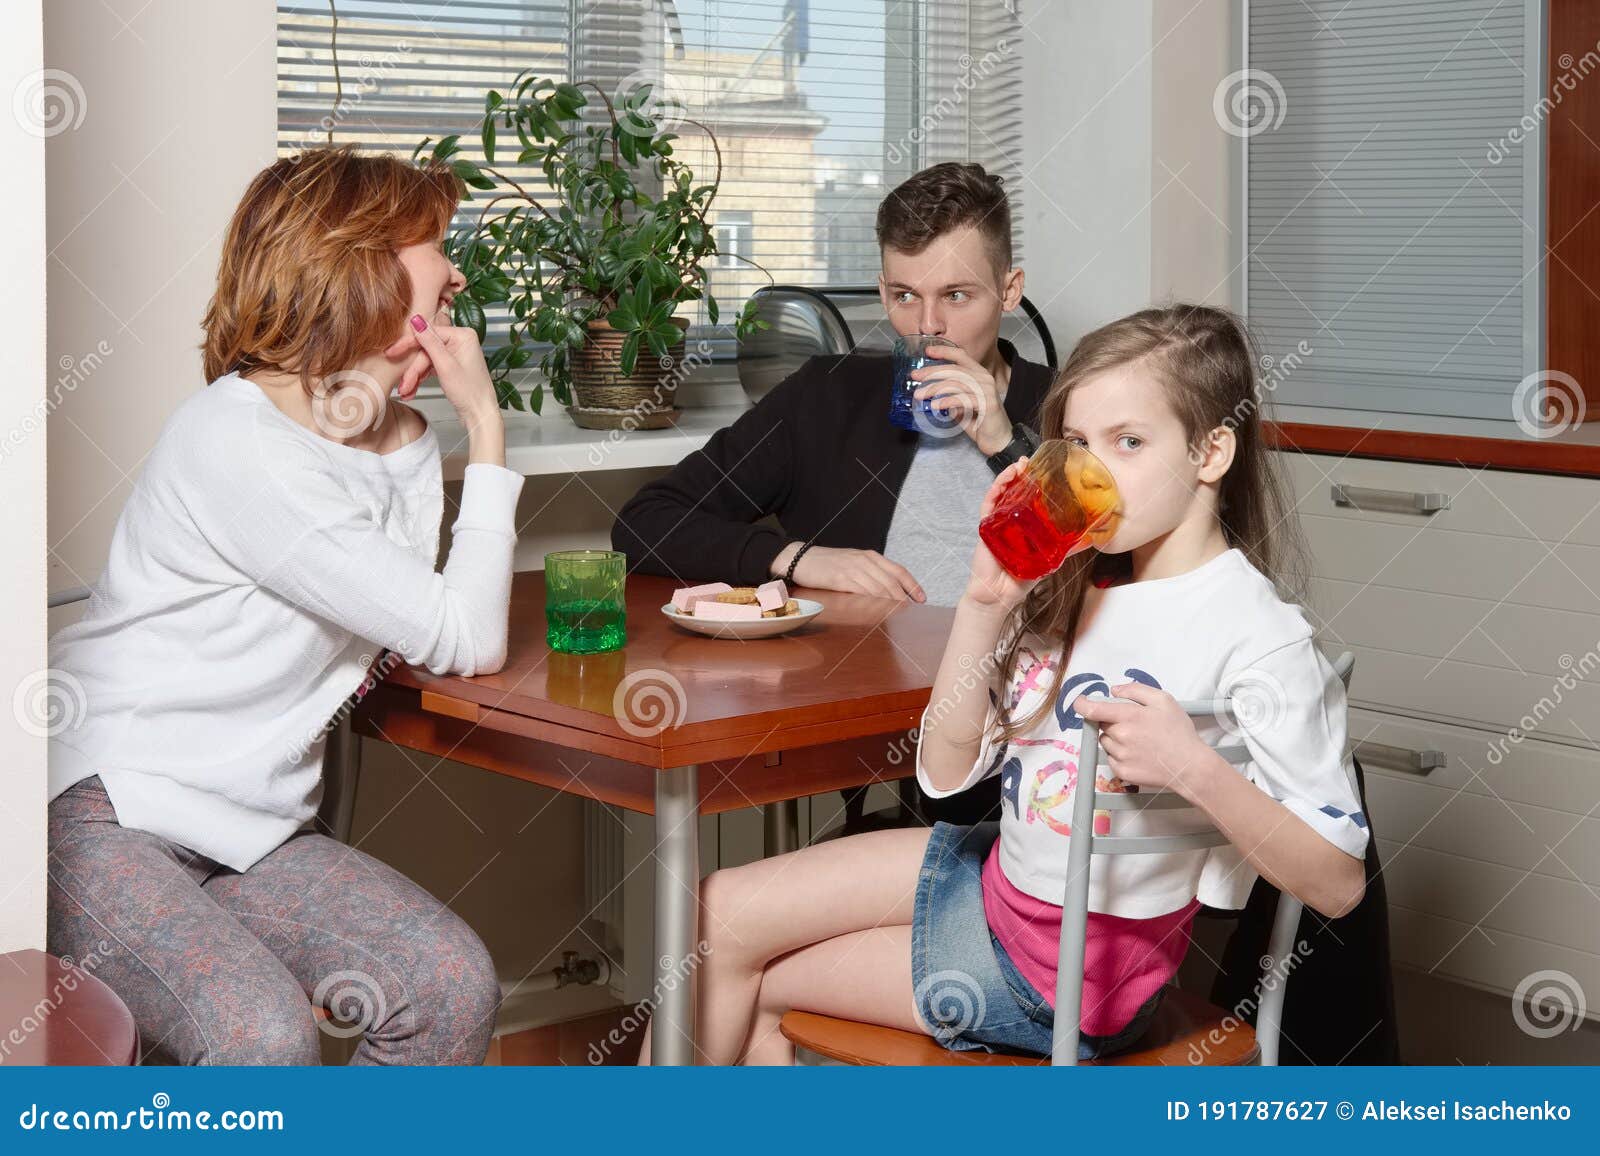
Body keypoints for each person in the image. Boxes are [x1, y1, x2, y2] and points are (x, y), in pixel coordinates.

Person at [638, 304, 1371, 1064]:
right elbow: (948, 774)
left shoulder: (1256, 633)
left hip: (1064, 975)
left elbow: (1340, 884)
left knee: (754, 978)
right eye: (1079, 444)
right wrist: (986, 605)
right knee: (716, 910)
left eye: (1129, 442)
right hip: (998, 881)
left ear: (1211, 451)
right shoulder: (1080, 582)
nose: (1094, 472)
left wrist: (1192, 767)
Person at [45, 146, 520, 1065]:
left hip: (248, 826)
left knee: (449, 986)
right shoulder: (238, 442)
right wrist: (488, 427)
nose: (457, 272)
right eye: (437, 249)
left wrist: (417, 419)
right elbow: (466, 635)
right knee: (260, 1039)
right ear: (368, 264)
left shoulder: (388, 436)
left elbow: (428, 611)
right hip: (112, 811)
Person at [612, 161, 1051, 828]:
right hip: (868, 737)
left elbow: (1105, 573)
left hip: (1025, 757)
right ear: (881, 290)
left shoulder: (1069, 406)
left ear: (1010, 290)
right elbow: (643, 525)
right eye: (905, 296)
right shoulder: (826, 397)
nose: (927, 327)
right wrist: (796, 558)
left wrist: (1000, 440)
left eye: (957, 296)